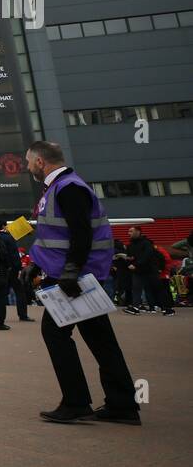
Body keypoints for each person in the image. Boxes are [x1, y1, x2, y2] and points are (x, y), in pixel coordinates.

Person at [24, 141, 141, 425]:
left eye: (28, 162)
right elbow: (57, 233)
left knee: (55, 334)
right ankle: (122, 404)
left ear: (40, 162)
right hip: (76, 275)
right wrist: (36, 264)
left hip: (74, 277)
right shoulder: (61, 187)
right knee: (102, 340)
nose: (27, 167)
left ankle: (76, 402)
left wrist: (71, 272)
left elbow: (81, 233)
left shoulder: (69, 188)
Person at [123, 226, 173, 316]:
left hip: (150, 270)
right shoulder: (130, 245)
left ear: (138, 232)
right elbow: (129, 256)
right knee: (136, 289)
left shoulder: (147, 243)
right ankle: (135, 307)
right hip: (137, 271)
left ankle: (167, 308)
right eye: (128, 231)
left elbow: (147, 256)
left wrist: (135, 264)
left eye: (131, 231)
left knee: (158, 288)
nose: (128, 233)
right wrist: (129, 263)